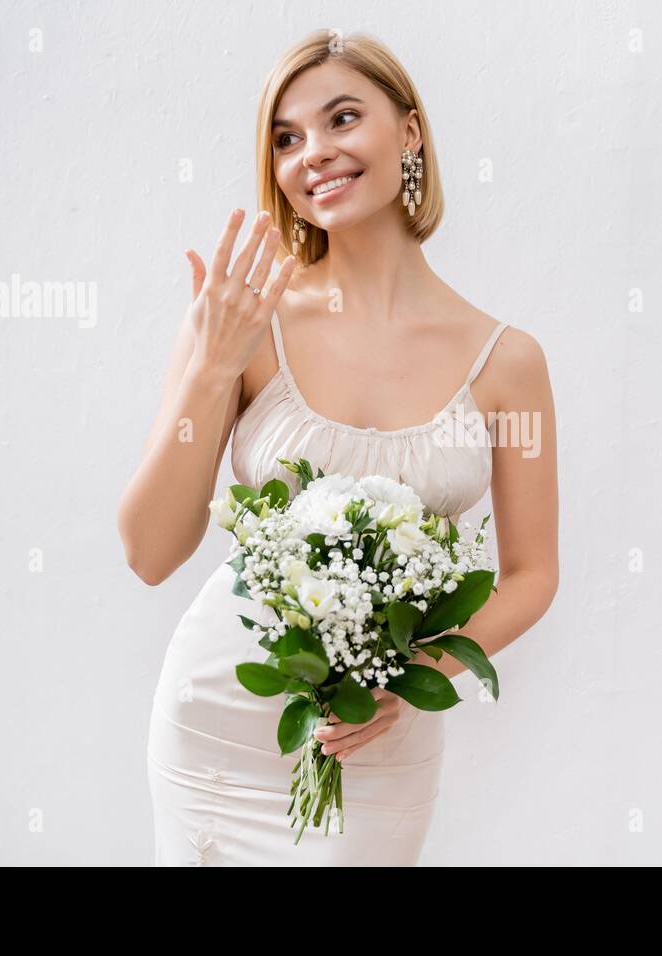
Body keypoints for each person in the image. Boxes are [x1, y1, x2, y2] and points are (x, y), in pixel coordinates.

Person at [117, 30, 559, 865]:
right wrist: (209, 371)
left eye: (342, 118)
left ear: (410, 132)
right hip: (216, 728)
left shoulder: (508, 362)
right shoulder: (243, 323)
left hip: (379, 748)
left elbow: (533, 575)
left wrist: (408, 678)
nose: (312, 153)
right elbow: (147, 550)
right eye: (286, 138)